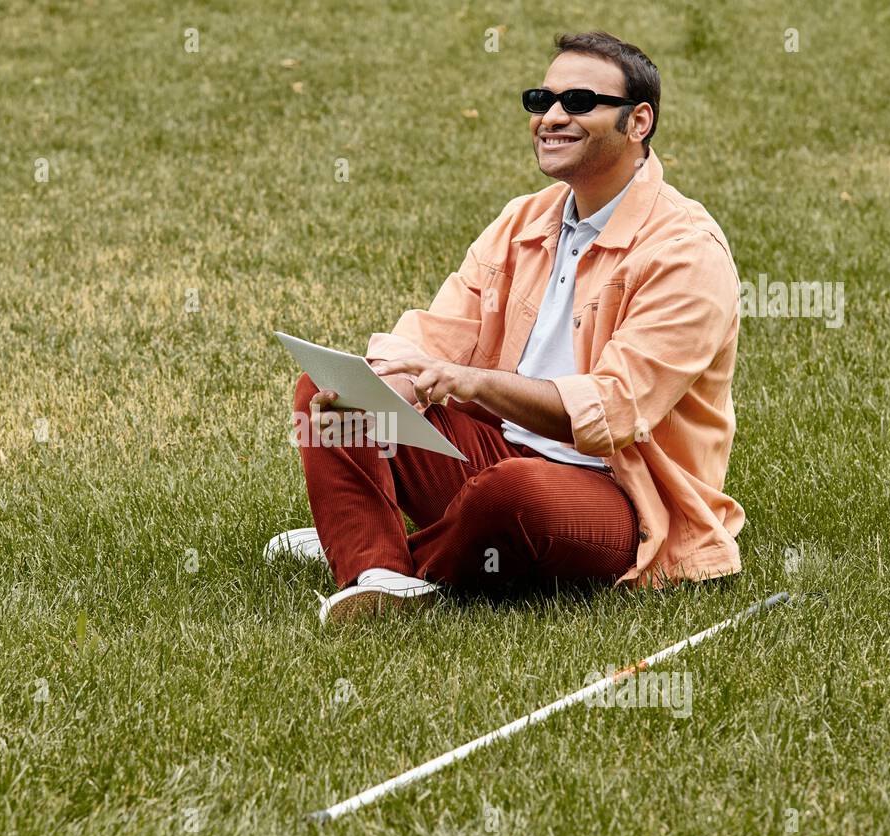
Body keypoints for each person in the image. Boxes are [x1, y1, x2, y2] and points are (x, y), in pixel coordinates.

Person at [269, 31, 745, 624]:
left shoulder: (685, 253)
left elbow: (613, 409)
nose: (550, 116)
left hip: (619, 495)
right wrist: (396, 380)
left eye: (577, 102)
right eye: (540, 100)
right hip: (500, 451)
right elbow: (438, 332)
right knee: (330, 390)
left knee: (509, 493)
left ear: (638, 121)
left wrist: (460, 381)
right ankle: (374, 574)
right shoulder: (525, 217)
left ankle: (375, 539)